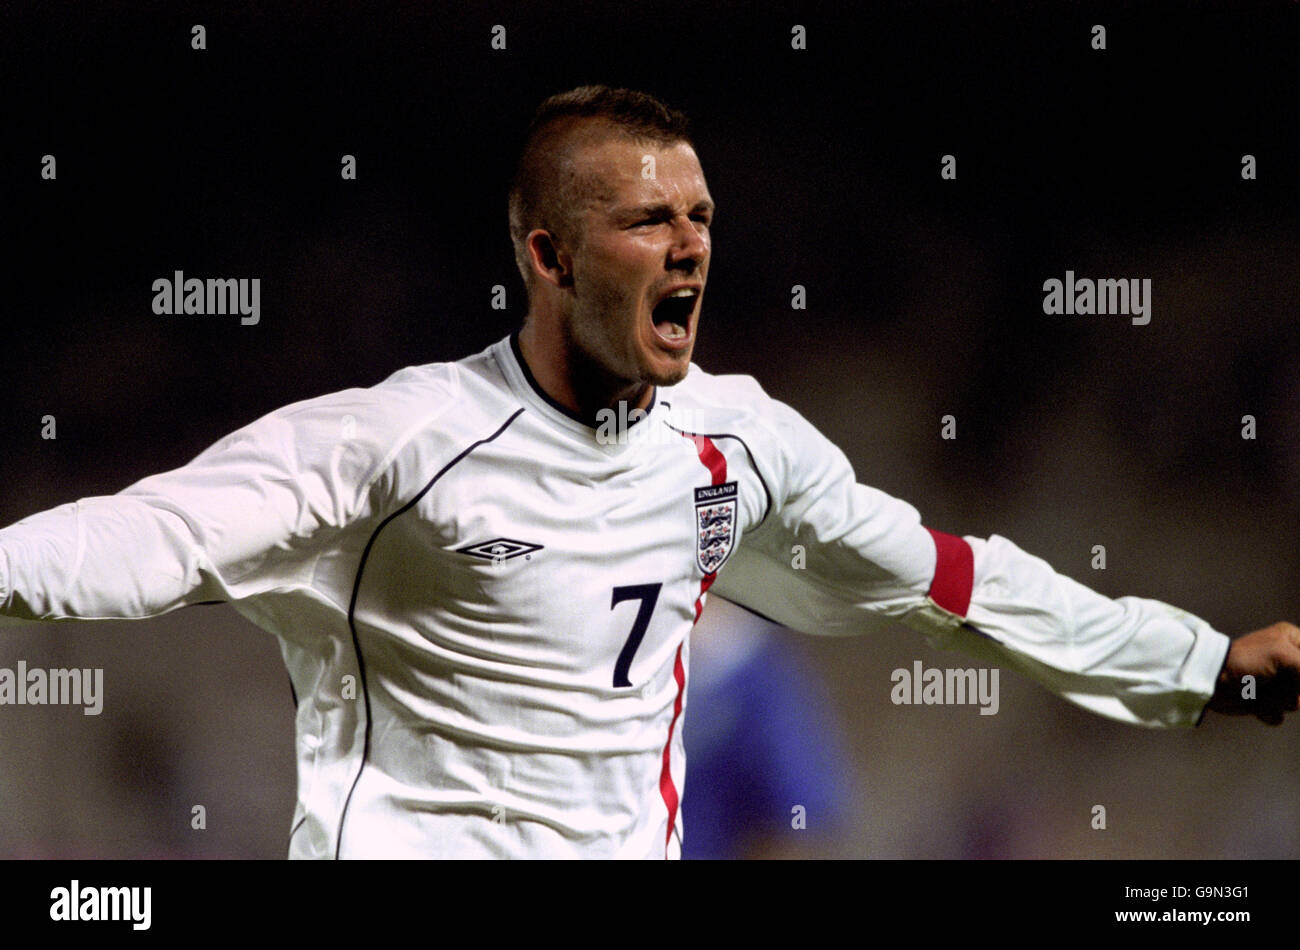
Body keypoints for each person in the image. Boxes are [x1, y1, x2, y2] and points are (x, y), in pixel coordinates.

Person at [0, 85, 1296, 859]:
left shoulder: (737, 442)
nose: (690, 248)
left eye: (703, 220)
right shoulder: (391, 444)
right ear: (551, 255)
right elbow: (134, 540)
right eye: (649, 221)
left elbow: (953, 578)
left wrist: (1197, 663)